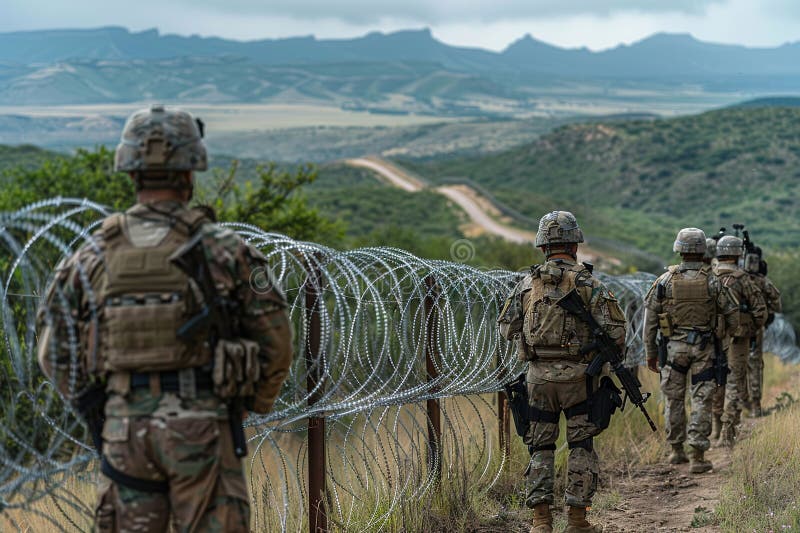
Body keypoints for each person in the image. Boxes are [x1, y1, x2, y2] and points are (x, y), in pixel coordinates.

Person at [36, 105, 294, 532]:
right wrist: (250, 405)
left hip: (125, 431)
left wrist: (100, 409)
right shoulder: (224, 250)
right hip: (203, 425)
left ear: (132, 172)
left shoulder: (93, 254)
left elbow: (52, 353)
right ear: (190, 172)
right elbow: (277, 344)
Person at [498, 210, 626, 533]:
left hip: (538, 378)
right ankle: (577, 521)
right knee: (581, 445)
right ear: (574, 246)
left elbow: (506, 328)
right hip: (580, 379)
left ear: (543, 247)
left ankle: (541, 522)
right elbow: (616, 331)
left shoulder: (527, 284)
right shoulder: (589, 283)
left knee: (540, 446)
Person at [643, 229, 735, 473]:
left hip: (673, 351)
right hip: (704, 350)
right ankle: (698, 455)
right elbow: (731, 314)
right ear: (702, 250)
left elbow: (650, 320)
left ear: (679, 250)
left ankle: (676, 451)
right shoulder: (712, 281)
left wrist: (650, 352)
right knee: (701, 399)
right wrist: (724, 339)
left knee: (673, 400)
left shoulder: (664, 281)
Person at [713, 235, 767, 446]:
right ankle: (728, 433)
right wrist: (750, 328)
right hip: (738, 339)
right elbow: (760, 310)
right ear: (738, 254)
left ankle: (717, 429)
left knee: (715, 381)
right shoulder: (743, 278)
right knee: (735, 383)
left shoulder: (709, 275)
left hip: (712, 339)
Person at [743, 251, 782, 417]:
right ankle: (755, 406)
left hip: (734, 329)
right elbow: (777, 304)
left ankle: (740, 404)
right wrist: (767, 313)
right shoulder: (763, 282)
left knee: (735, 366)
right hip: (756, 328)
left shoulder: (737, 280)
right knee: (755, 365)